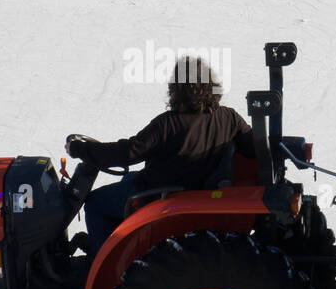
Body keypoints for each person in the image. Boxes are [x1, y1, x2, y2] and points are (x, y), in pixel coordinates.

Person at [67, 56, 256, 256]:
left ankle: (101, 262)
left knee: (96, 203)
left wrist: (80, 149)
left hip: (160, 196)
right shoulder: (229, 118)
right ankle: (121, 246)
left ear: (177, 90)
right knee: (128, 178)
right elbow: (254, 147)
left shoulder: (168, 124)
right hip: (191, 191)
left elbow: (128, 153)